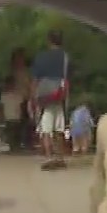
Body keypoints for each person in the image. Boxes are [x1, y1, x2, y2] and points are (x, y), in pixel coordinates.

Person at [31, 30, 72, 171]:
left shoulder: (41, 57)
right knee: (59, 127)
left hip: (44, 96)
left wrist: (33, 97)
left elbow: (35, 79)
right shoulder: (65, 57)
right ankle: (60, 157)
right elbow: (67, 77)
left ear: (49, 41)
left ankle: (49, 157)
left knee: (46, 128)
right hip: (59, 94)